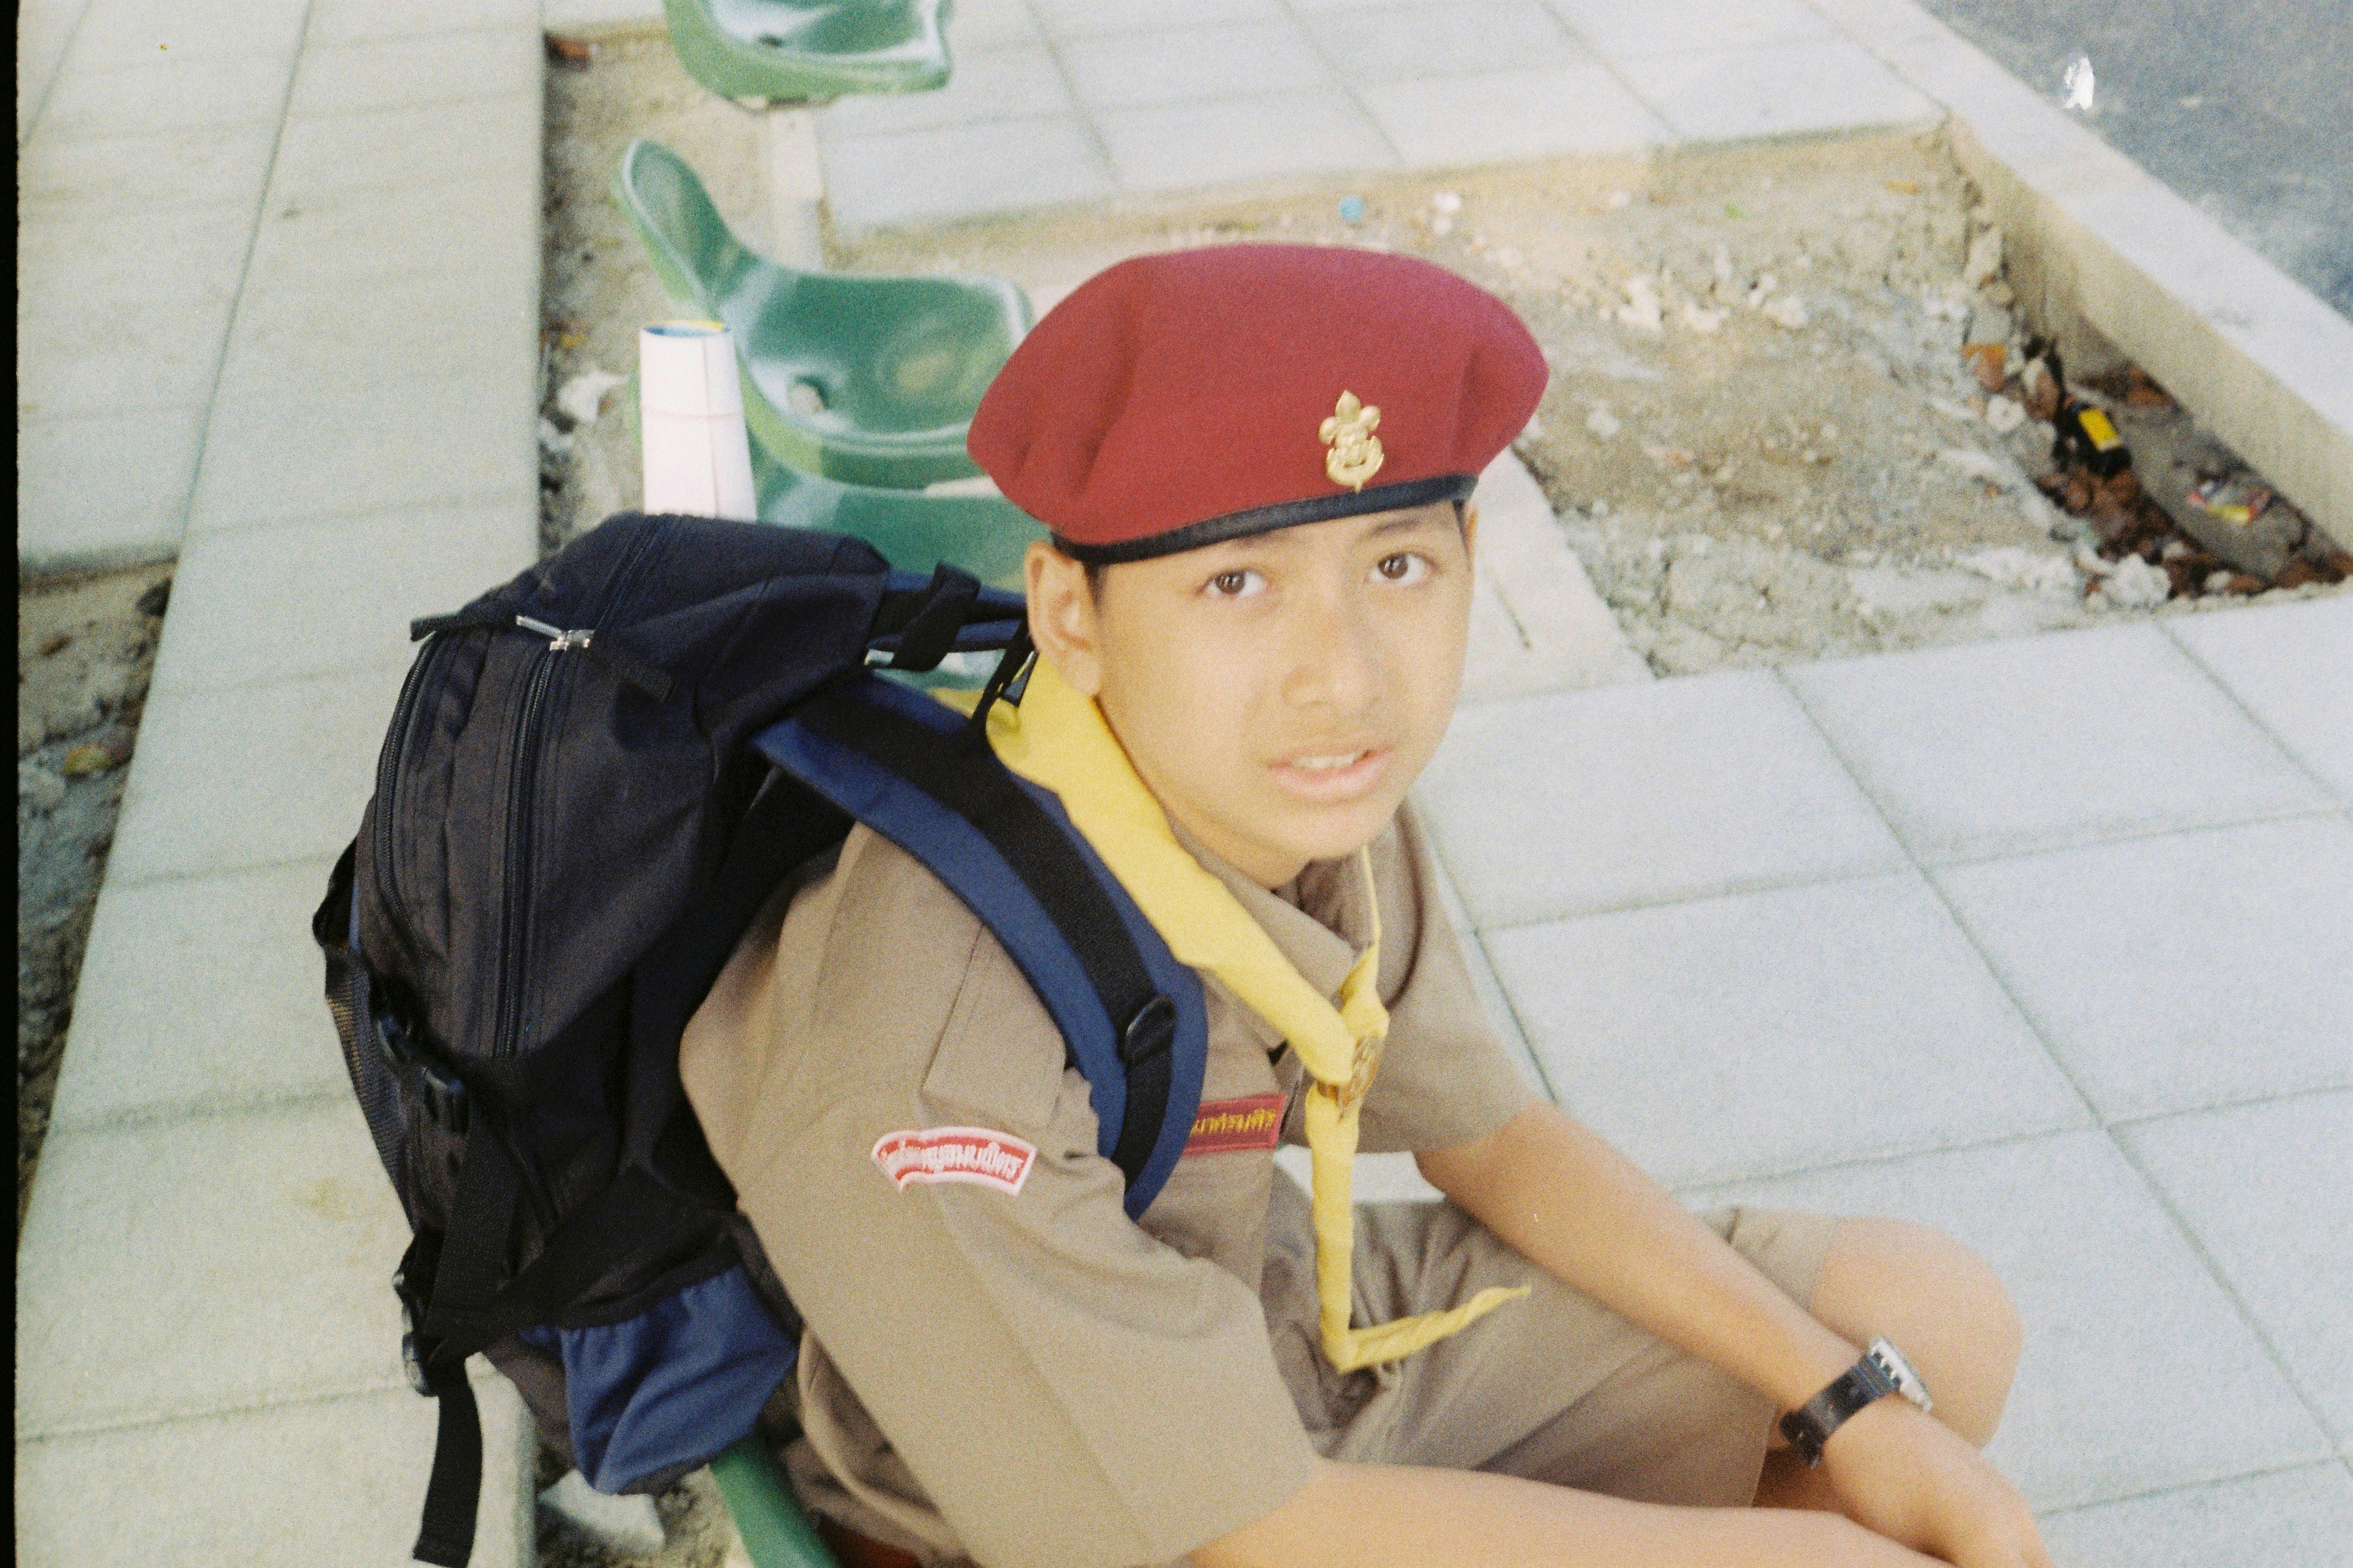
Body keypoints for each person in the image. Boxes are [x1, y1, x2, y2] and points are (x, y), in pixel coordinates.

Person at [680, 244, 2051, 1568]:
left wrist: (1836, 1397)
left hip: (1274, 1336)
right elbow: (1246, 1525)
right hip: (1070, 1502)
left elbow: (1492, 1136)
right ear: (1073, 614)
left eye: (1394, 567)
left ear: (1465, 550)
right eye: (1236, 583)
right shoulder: (928, 1054)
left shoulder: (1286, 796)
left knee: (1926, 1326)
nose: (1339, 675)